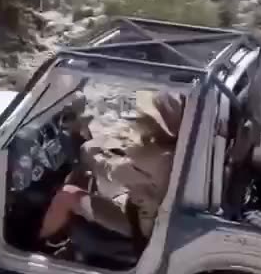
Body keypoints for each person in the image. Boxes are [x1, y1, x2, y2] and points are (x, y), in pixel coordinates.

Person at [39, 90, 185, 244]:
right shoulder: (179, 149)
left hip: (142, 227)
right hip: (157, 215)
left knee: (67, 194)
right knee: (90, 181)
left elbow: (110, 170)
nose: (142, 118)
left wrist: (88, 151)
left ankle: (39, 245)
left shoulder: (154, 157)